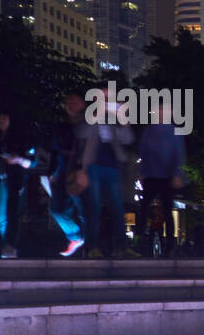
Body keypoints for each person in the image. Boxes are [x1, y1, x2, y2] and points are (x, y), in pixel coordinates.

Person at [74, 86, 135, 258]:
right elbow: (80, 133)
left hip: (112, 166)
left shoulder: (114, 118)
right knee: (93, 207)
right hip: (92, 166)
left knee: (117, 207)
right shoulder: (88, 116)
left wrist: (123, 120)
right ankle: (92, 246)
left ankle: (122, 247)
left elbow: (129, 138)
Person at [0, 111, 34, 258]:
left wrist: (19, 160)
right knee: (0, 216)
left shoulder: (21, 137)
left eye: (4, 117)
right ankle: (7, 245)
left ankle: (10, 245)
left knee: (12, 211)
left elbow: (31, 161)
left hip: (14, 179)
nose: (1, 120)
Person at [137, 97, 187, 257]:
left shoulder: (174, 131)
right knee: (144, 207)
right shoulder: (149, 130)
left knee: (167, 209)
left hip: (167, 176)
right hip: (152, 174)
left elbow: (179, 154)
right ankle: (140, 239)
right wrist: (141, 172)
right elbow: (143, 152)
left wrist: (177, 174)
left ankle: (170, 245)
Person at [46, 90, 86, 257]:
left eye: (75, 102)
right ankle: (76, 237)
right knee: (57, 208)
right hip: (63, 170)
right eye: (68, 102)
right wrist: (51, 172)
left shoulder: (88, 124)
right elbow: (54, 151)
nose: (71, 105)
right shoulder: (61, 127)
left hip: (82, 170)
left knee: (84, 209)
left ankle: (89, 243)